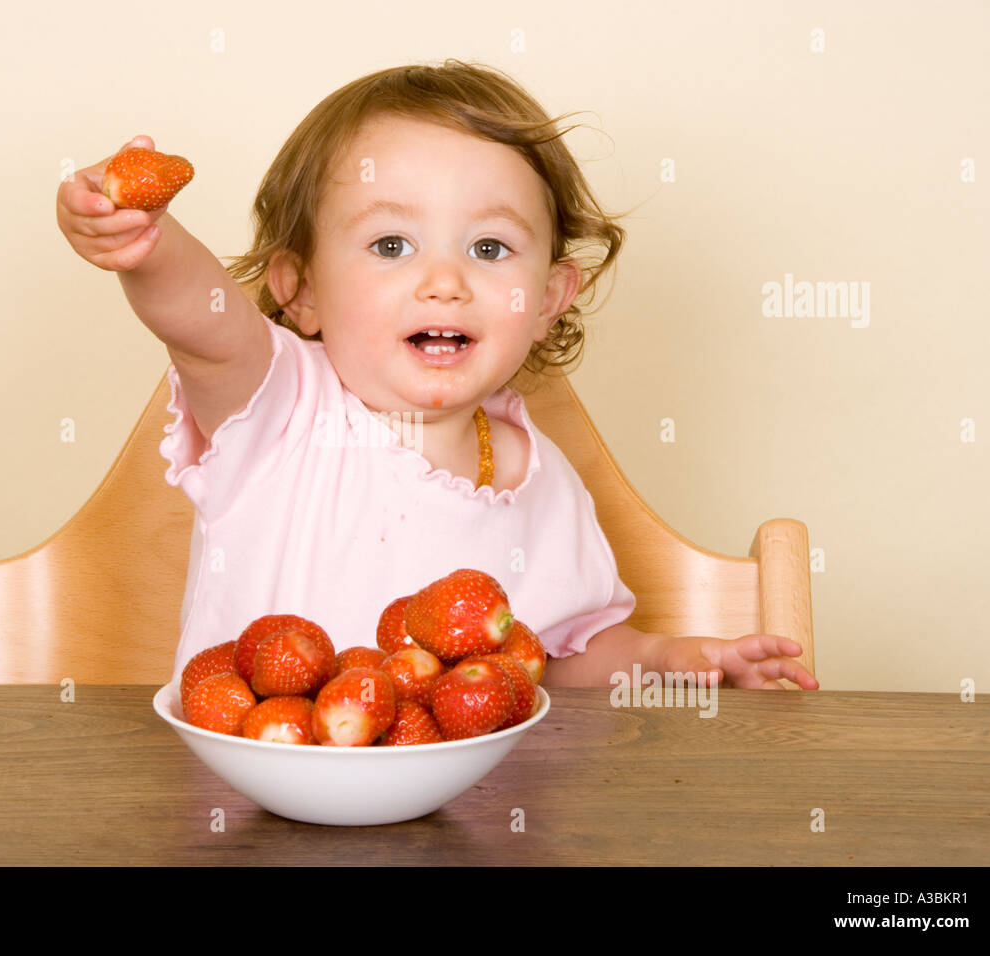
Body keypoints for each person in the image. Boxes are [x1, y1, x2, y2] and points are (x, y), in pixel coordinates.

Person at [56, 59, 819, 692]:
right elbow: (207, 325)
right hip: (257, 806)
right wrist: (145, 244)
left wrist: (674, 661)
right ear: (300, 290)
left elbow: (566, 656)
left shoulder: (541, 479)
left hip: (474, 818)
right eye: (392, 246)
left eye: (489, 249)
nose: (445, 281)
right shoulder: (284, 408)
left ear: (549, 299)